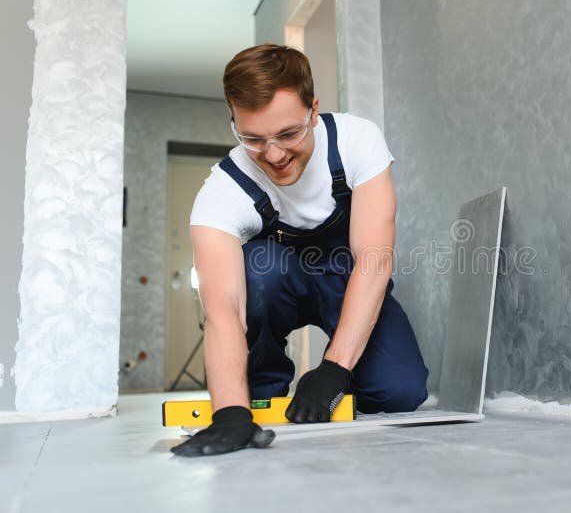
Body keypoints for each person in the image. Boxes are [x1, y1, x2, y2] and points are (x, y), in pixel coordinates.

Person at [171, 44, 429, 456]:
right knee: (258, 266)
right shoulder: (223, 191)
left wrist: (334, 368)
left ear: (313, 111)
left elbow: (375, 260)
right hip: (275, 282)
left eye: (288, 133)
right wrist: (230, 412)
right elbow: (223, 310)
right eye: (253, 138)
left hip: (350, 278)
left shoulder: (356, 141)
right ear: (234, 122)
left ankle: (338, 380)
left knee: (400, 391)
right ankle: (255, 391)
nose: (273, 155)